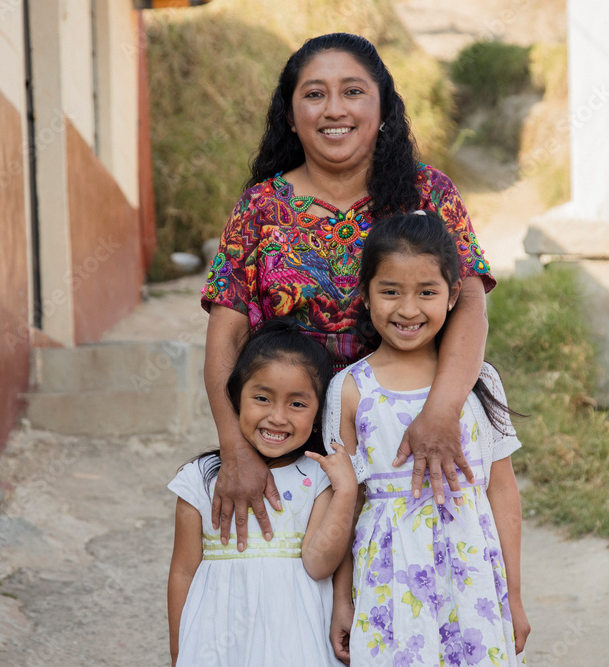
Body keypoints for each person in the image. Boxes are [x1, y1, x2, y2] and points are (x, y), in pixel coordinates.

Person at [202, 32, 497, 552]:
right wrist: (236, 450)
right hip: (293, 448)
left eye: (353, 91)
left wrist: (441, 412)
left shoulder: (429, 195)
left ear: (383, 106)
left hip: (407, 438)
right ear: (290, 116)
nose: (333, 109)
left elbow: (469, 302)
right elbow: (225, 338)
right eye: (314, 94)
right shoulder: (260, 208)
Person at [324, 211, 529, 665]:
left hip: (473, 578)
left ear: (454, 295)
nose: (408, 309)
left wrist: (513, 596)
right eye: (390, 291)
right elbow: (344, 500)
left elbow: (502, 491)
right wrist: (341, 600)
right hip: (388, 582)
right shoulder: (352, 389)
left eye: (427, 292)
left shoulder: (478, 382)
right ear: (365, 294)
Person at [167, 319, 358, 666]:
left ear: (318, 414)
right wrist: (179, 651)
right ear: (236, 397)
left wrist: (346, 491)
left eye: (297, 404)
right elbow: (182, 571)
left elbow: (320, 564)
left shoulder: (318, 477)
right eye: (261, 398)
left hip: (297, 642)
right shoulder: (200, 478)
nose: (277, 417)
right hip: (218, 640)